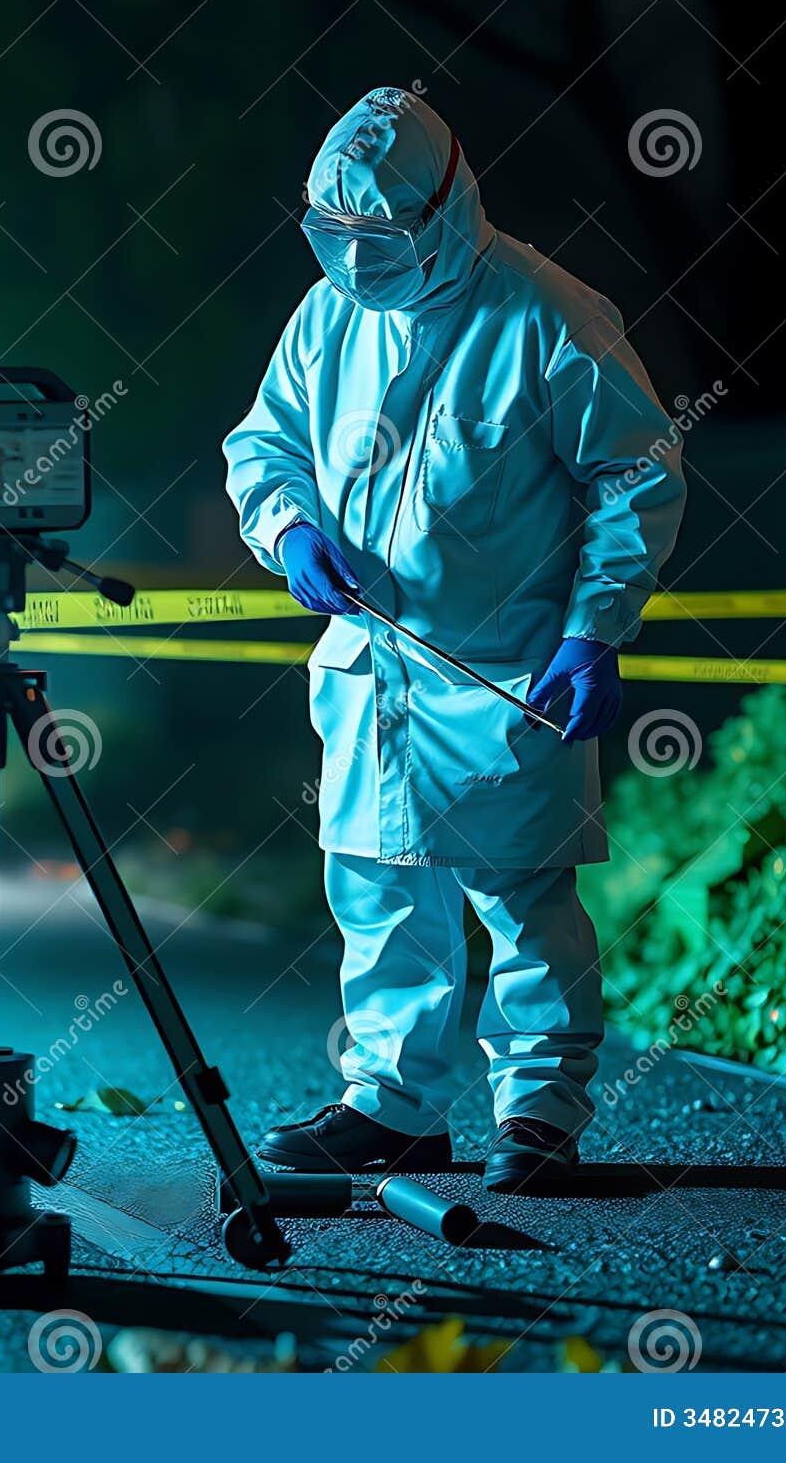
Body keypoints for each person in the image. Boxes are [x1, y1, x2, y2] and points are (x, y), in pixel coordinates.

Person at [223, 87, 686, 1191]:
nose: (349, 257)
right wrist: (288, 532)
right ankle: (392, 1108)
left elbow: (636, 470)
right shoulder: (326, 315)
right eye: (327, 233)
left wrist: (593, 629)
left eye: (373, 237)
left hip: (507, 668)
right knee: (379, 893)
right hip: (370, 669)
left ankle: (537, 1113)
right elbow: (263, 446)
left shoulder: (544, 311)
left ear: (440, 214)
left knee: (522, 897)